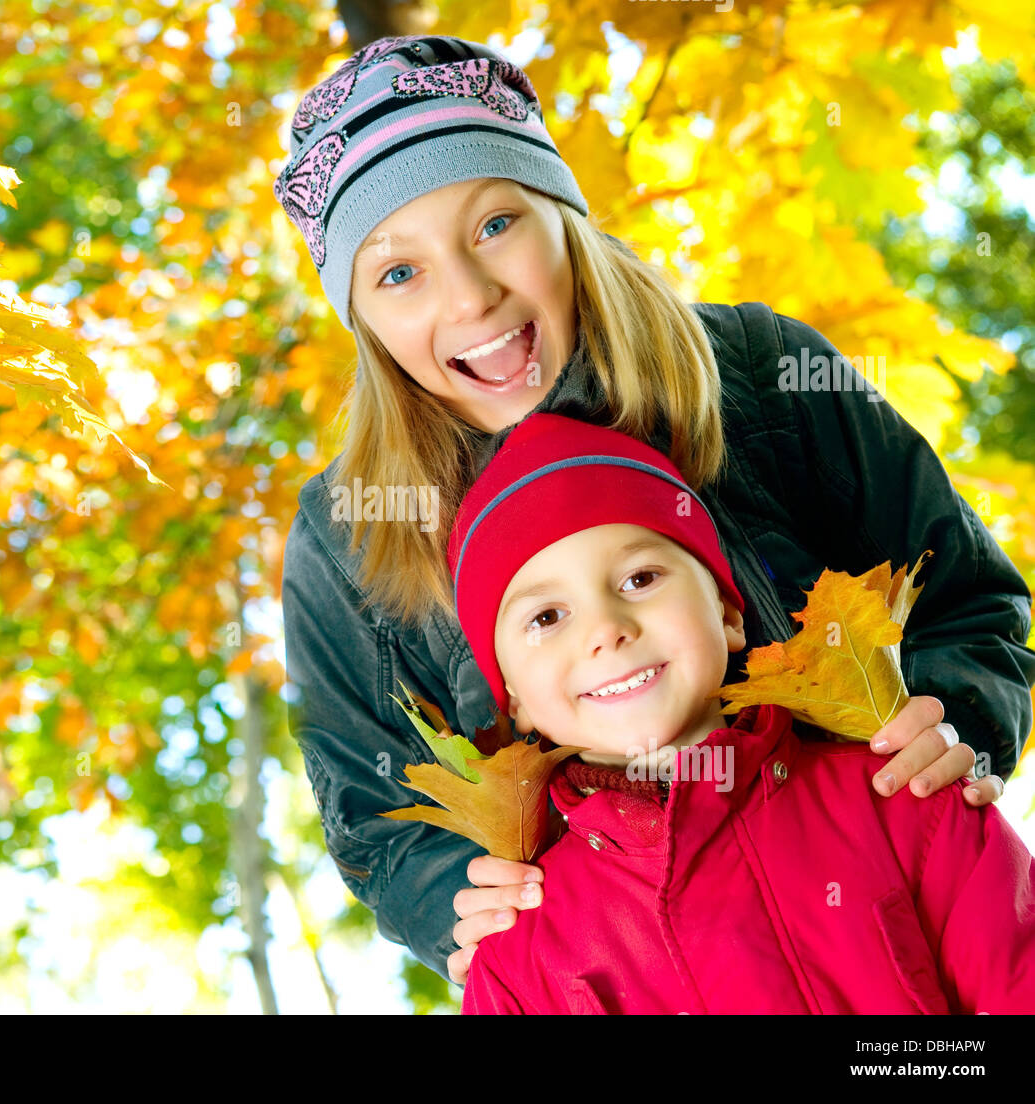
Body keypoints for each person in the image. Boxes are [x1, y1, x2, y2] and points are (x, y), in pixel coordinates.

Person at [273, 33, 1035, 986]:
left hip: (877, 935)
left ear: (563, 217)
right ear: (363, 317)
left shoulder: (760, 374)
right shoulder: (349, 543)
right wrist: (450, 894)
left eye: (494, 225)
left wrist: (953, 713)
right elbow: (372, 807)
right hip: (630, 972)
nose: (470, 296)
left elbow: (964, 594)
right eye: (397, 272)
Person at [446, 411, 1035, 1013]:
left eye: (639, 578)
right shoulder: (518, 959)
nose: (605, 630)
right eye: (546, 617)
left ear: (729, 613)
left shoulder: (906, 799)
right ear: (512, 698)